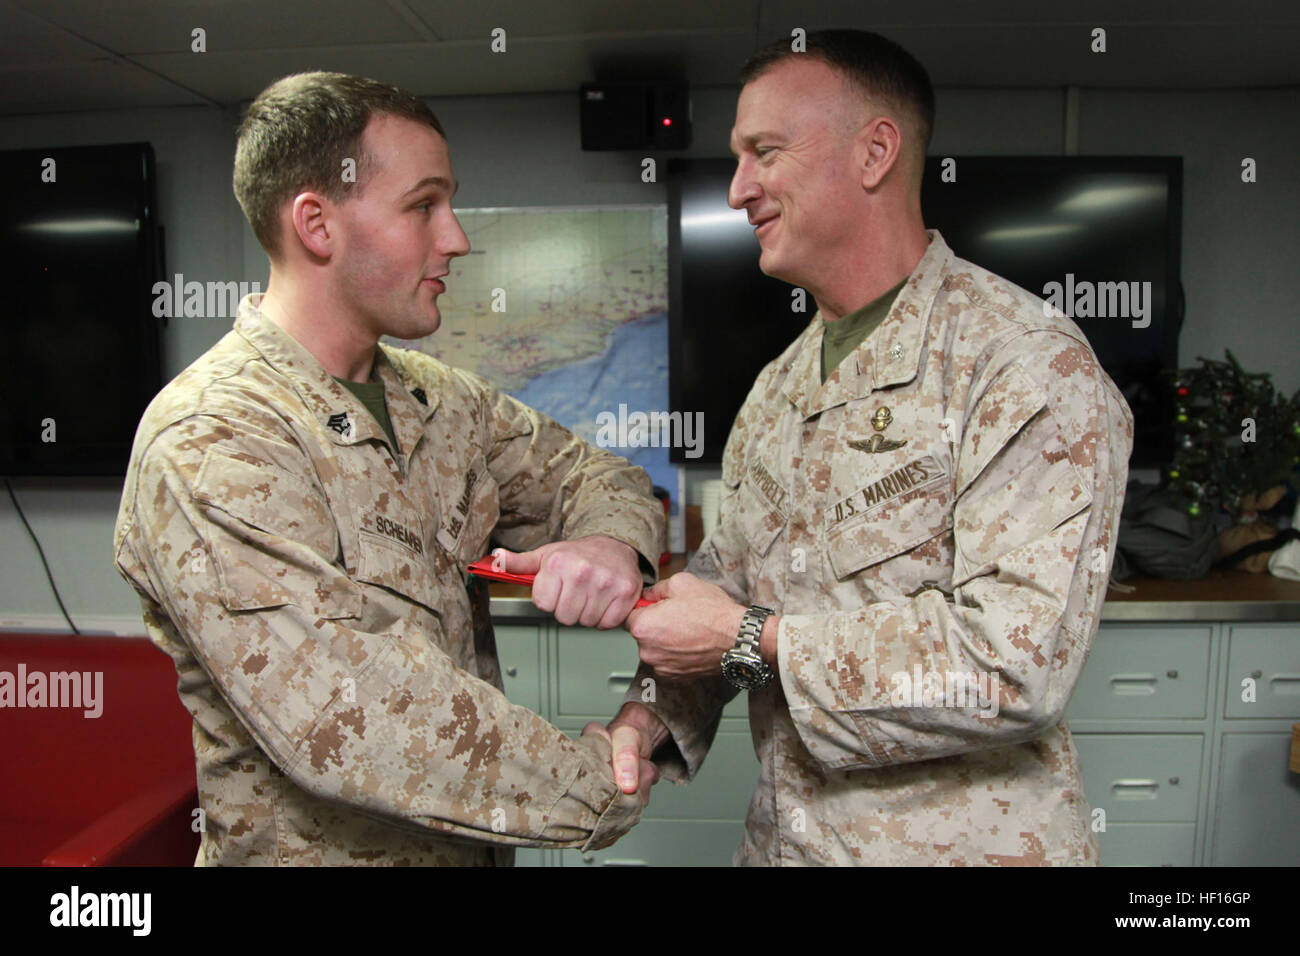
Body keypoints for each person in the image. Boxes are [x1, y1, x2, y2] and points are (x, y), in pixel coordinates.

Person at [603, 30, 1134, 865]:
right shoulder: (780, 386)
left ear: (875, 152)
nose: (738, 189)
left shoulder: (1023, 363)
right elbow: (726, 585)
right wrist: (648, 715)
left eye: (763, 152)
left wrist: (755, 638)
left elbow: (1012, 666)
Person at [113, 71, 663, 866]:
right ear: (317, 224)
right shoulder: (214, 437)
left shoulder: (441, 402)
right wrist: (597, 784)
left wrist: (612, 545)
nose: (457, 238)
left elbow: (604, 478)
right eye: (423, 206)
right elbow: (345, 711)